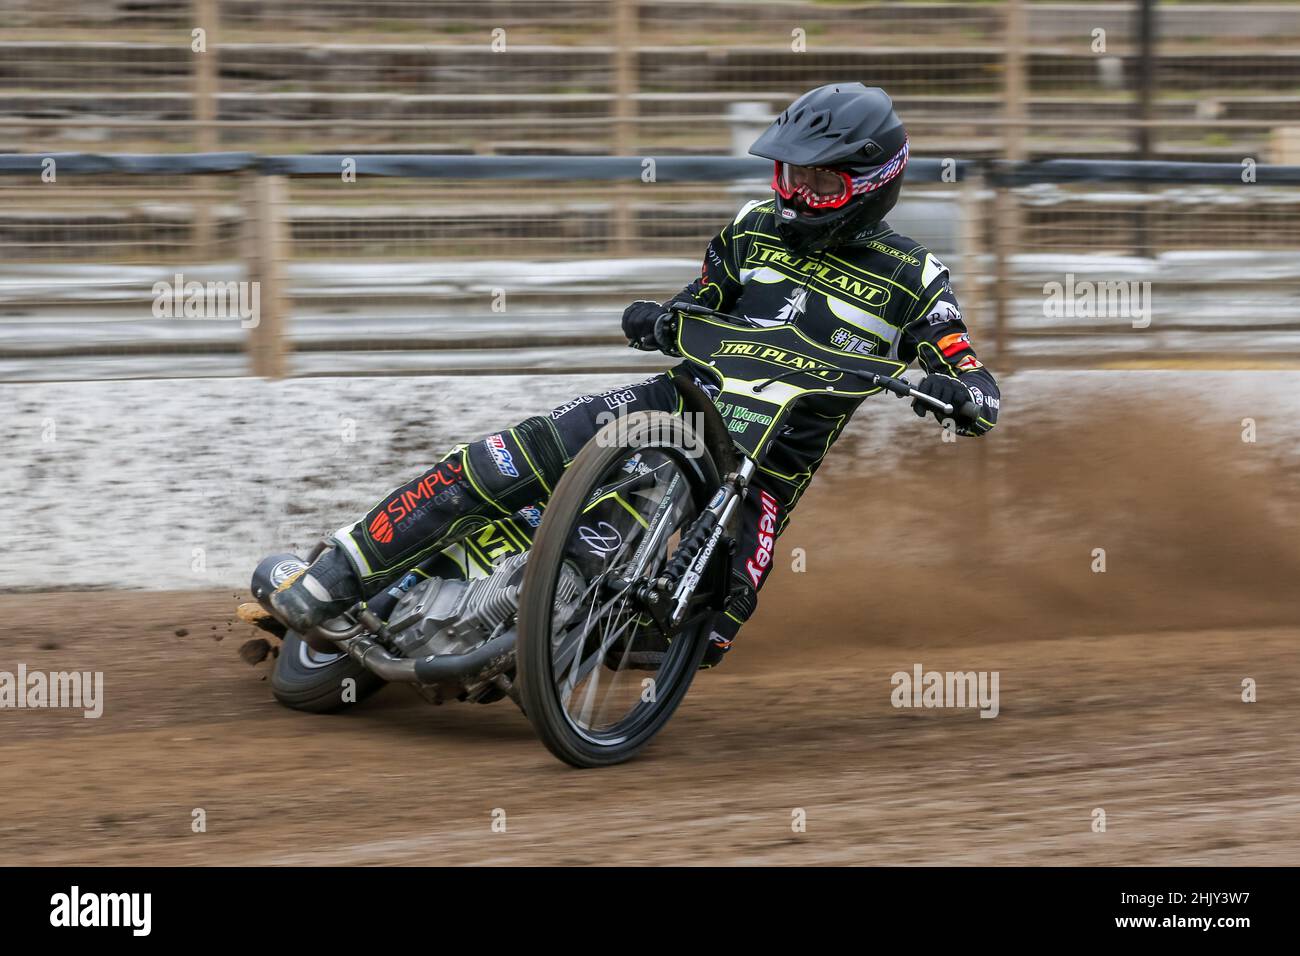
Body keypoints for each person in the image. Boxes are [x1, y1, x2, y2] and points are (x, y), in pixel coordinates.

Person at [265, 82, 1000, 668]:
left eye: (820, 183)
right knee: (496, 460)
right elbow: (697, 305)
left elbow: (973, 379)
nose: (797, 195)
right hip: (666, 407)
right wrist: (657, 316)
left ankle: (548, 644)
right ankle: (333, 581)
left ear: (875, 183)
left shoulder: (915, 277)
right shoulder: (749, 231)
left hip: (760, 469)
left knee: (702, 635)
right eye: (791, 174)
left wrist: (961, 395)